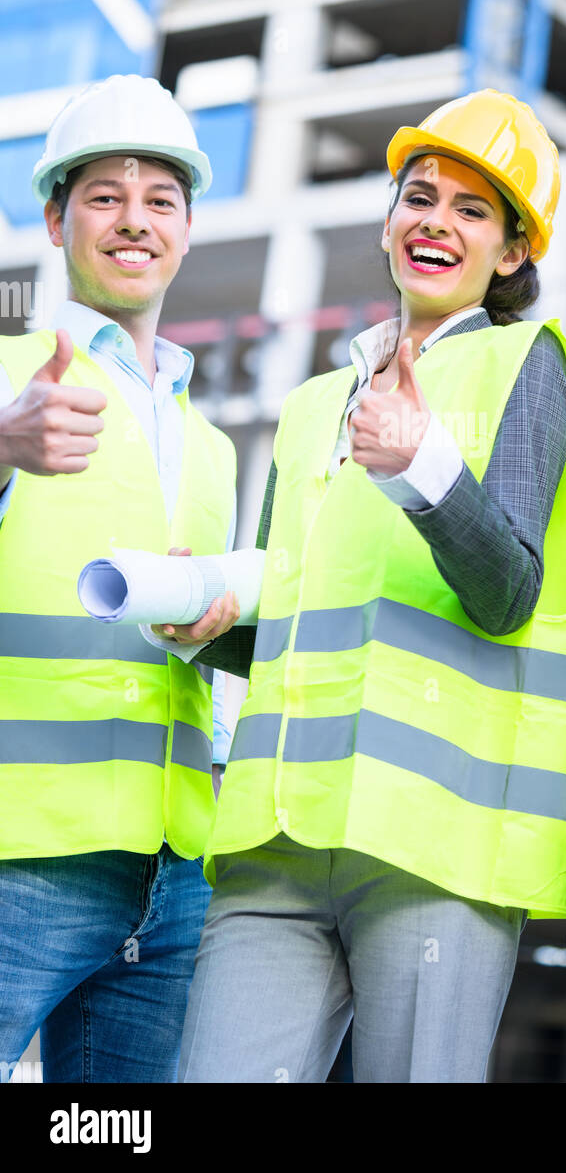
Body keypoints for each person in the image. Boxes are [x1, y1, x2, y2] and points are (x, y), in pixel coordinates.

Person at [159, 88, 566, 1083]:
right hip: (275, 841)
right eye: (419, 196)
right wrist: (200, 622)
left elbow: (509, 594)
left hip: (432, 854)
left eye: (473, 209)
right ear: (389, 217)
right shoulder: (317, 404)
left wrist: (423, 467)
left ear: (514, 252)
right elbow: (283, 625)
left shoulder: (526, 364)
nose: (436, 222)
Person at [0, 75, 237, 1083]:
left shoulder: (211, 442)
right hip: (20, 859)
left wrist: (224, 620)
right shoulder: (11, 368)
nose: (134, 221)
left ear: (187, 227)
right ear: (56, 218)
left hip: (170, 878)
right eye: (105, 196)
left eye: (160, 199)